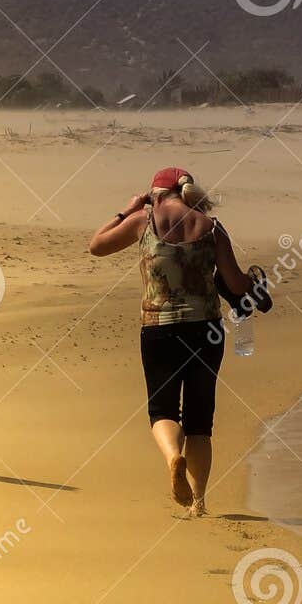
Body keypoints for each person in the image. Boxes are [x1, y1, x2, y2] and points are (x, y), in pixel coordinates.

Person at [88, 167, 260, 516]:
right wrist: (254, 280)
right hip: (206, 332)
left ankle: (172, 457)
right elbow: (238, 285)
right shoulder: (212, 228)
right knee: (200, 420)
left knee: (163, 409)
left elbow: (97, 246)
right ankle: (199, 502)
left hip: (158, 328)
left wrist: (127, 210)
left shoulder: (144, 222)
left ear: (156, 193)